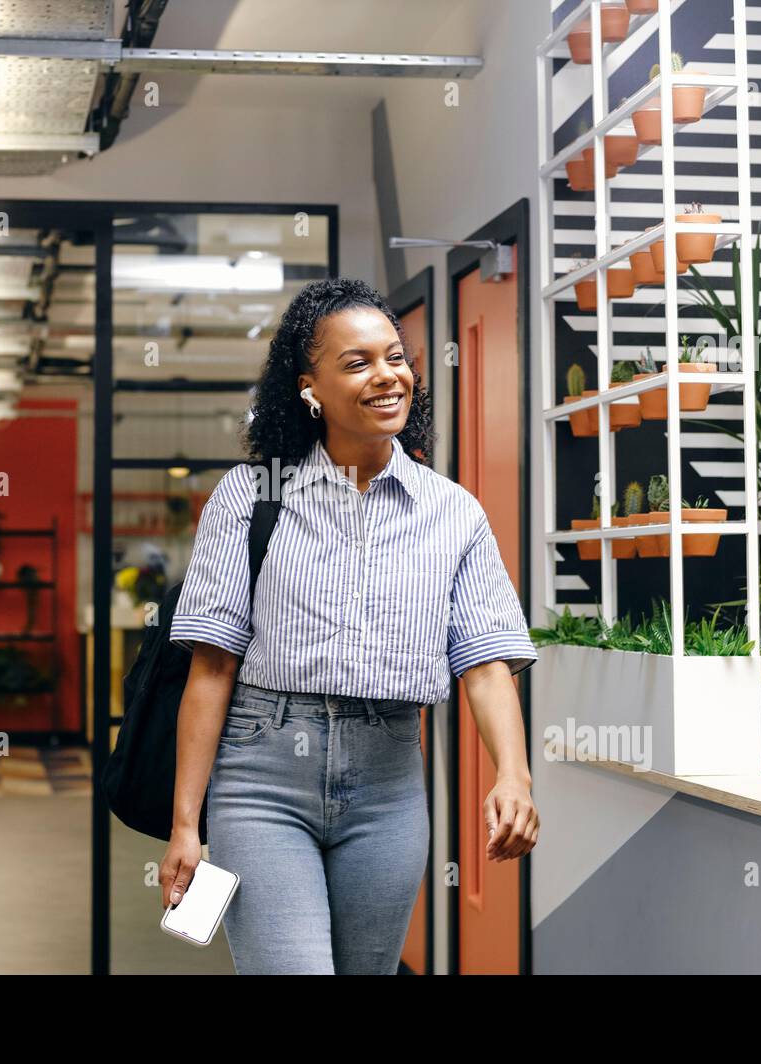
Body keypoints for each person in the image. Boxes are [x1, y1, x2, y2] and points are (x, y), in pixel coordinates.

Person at [157, 277, 539, 974]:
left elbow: (485, 665)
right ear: (310, 388)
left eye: (395, 357)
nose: (387, 375)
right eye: (357, 362)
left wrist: (513, 775)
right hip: (262, 774)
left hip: (390, 781)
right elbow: (210, 669)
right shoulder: (250, 498)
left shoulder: (452, 514)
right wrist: (187, 824)